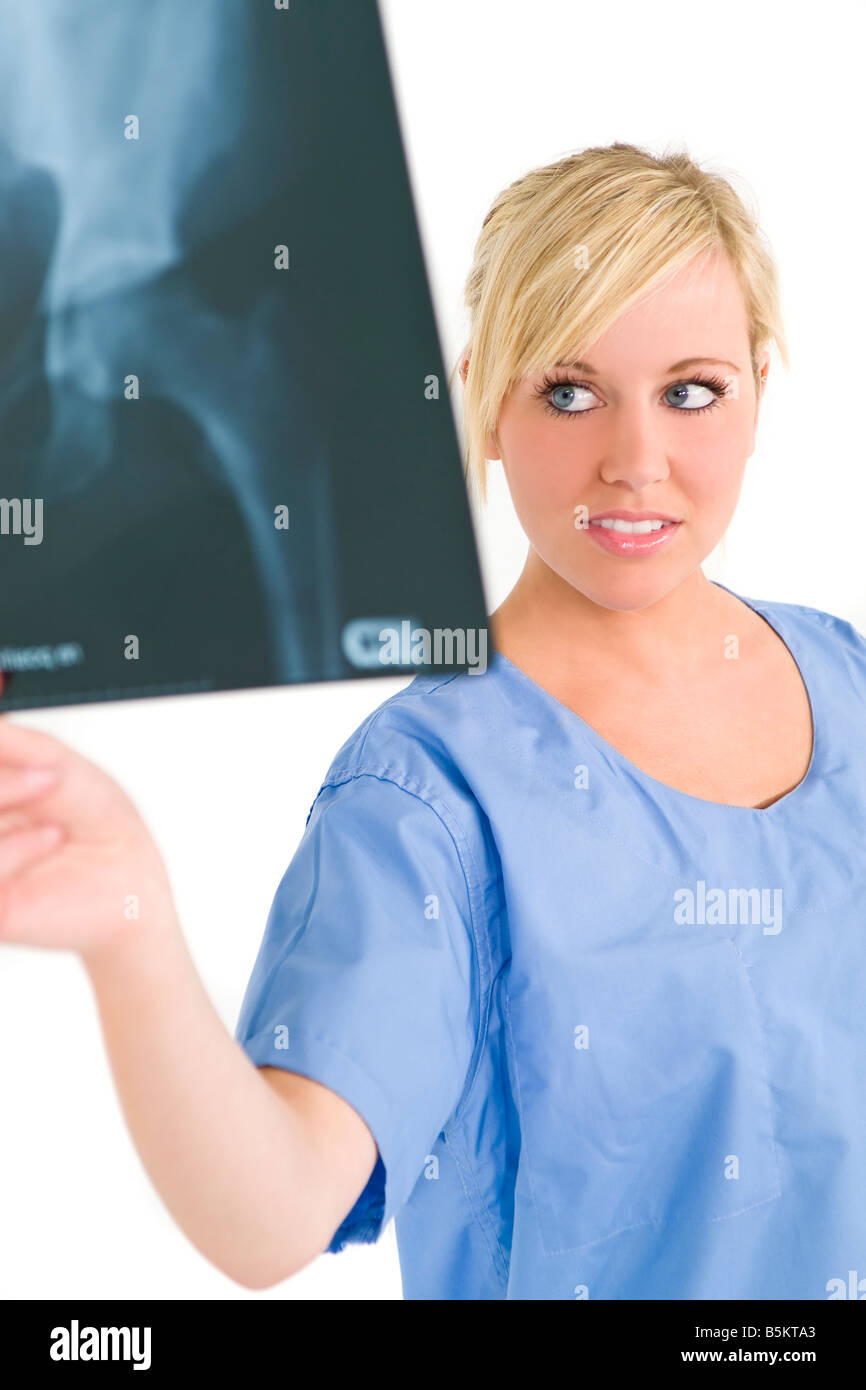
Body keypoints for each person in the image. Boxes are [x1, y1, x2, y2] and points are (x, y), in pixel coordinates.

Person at [2, 141, 865, 1301]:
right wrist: (130, 928)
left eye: (690, 389)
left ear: (757, 389)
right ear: (486, 401)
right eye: (569, 390)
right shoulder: (428, 794)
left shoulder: (846, 675)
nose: (635, 460)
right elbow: (275, 1215)